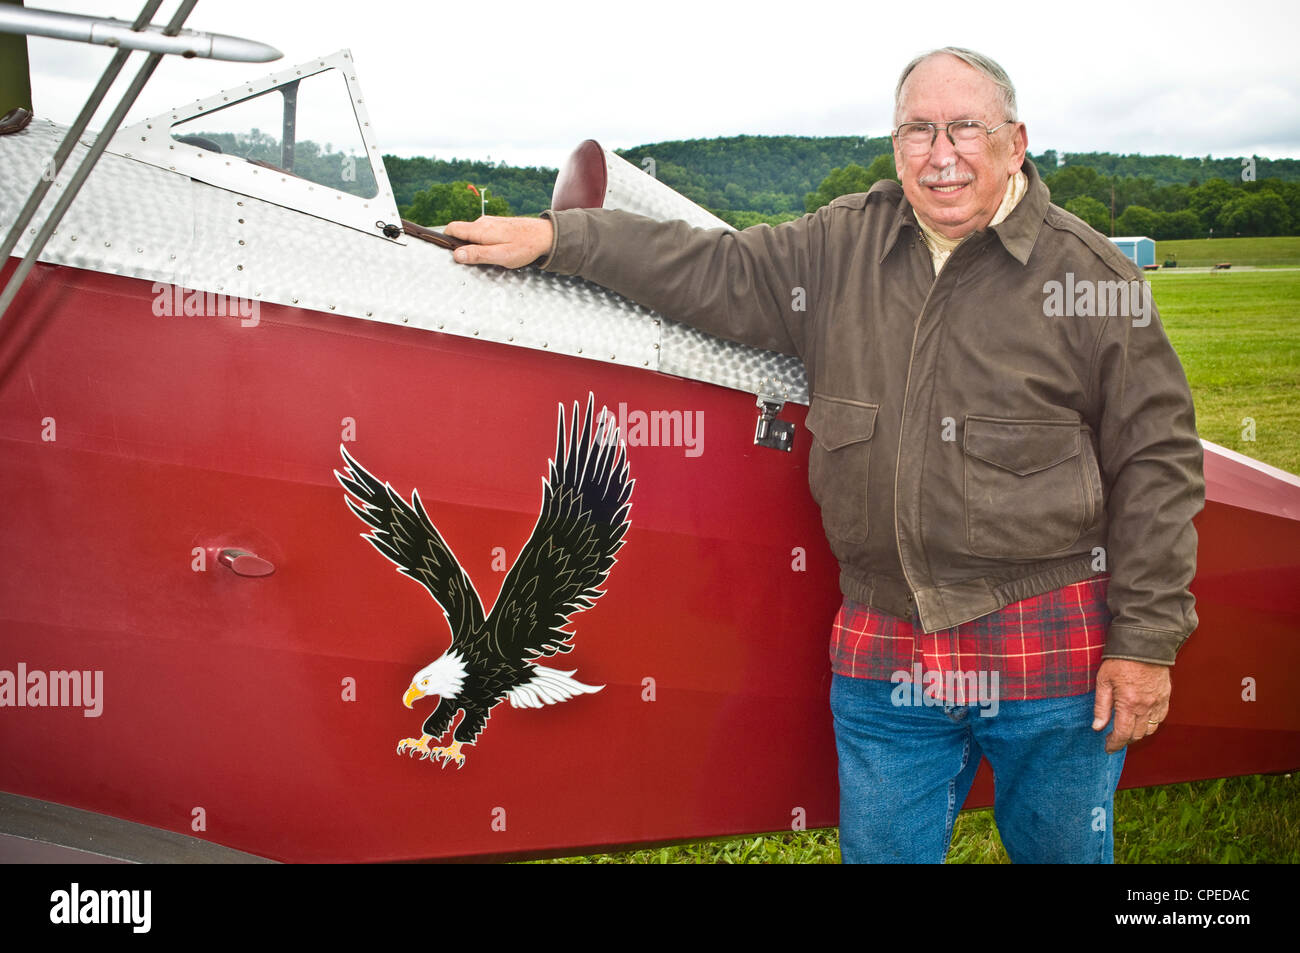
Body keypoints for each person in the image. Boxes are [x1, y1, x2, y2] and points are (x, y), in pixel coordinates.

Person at [443, 47, 1204, 863]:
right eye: (917, 130)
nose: (941, 154)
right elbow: (711, 268)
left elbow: (1157, 462)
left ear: (1016, 143)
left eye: (965, 129)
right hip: (885, 643)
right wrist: (561, 237)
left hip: (1045, 640)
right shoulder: (840, 244)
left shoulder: (1092, 278)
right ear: (895, 142)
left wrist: (1145, 643)